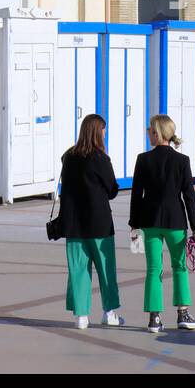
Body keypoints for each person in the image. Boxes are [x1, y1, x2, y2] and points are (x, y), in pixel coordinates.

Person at [129, 114, 195, 333]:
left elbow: (136, 194)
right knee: (179, 267)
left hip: (149, 221)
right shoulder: (182, 161)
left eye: (150, 130)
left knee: (154, 269)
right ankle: (183, 314)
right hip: (175, 222)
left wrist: (134, 223)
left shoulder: (143, 159)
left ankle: (155, 318)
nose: (148, 133)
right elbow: (189, 196)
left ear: (157, 133)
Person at [59, 113, 123, 330]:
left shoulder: (68, 157)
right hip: (99, 223)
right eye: (103, 129)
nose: (105, 133)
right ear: (98, 132)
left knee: (78, 270)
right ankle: (109, 312)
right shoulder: (101, 159)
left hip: (73, 223)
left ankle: (81, 316)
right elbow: (112, 189)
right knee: (106, 269)